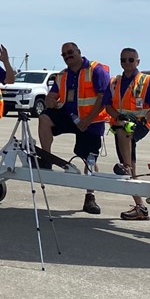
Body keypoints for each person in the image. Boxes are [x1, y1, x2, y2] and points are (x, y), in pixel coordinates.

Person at [37, 42, 110, 215]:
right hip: (70, 117)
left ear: (79, 52)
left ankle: (90, 197)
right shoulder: (62, 75)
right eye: (64, 54)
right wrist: (50, 102)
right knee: (44, 117)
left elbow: (103, 98)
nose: (67, 56)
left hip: (91, 121)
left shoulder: (96, 70)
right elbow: (51, 97)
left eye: (70, 52)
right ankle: (46, 159)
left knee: (89, 159)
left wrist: (88, 119)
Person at [102, 47, 150, 221]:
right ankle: (140, 207)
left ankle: (127, 166)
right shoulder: (115, 82)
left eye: (130, 60)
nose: (127, 63)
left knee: (124, 137)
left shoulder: (146, 81)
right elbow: (108, 106)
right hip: (121, 123)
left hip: (139, 124)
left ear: (138, 61)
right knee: (130, 168)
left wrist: (145, 119)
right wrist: (118, 116)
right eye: (123, 60)